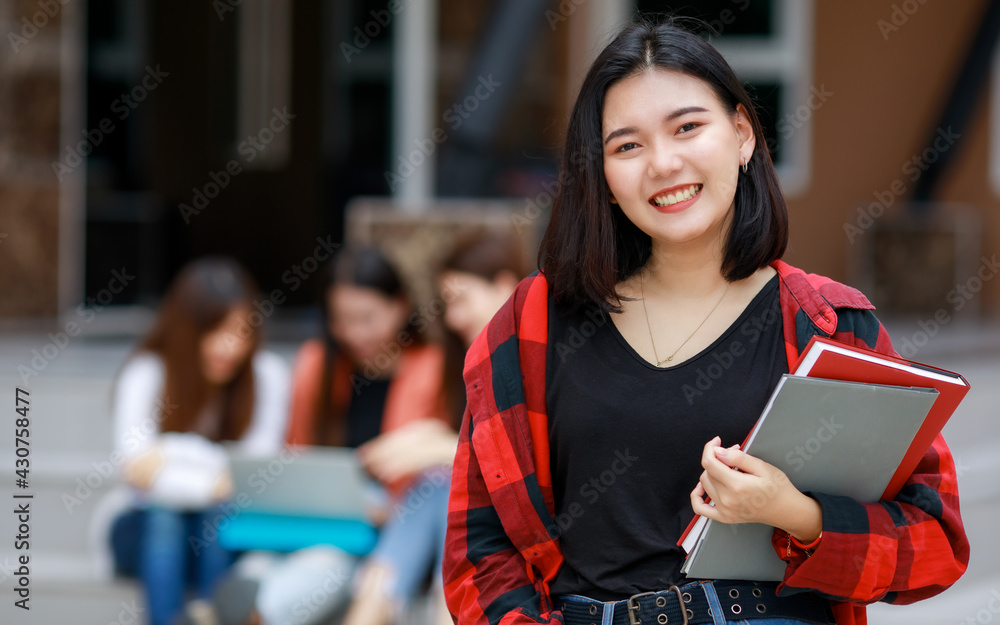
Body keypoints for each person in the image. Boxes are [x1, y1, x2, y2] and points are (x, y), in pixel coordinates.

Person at [442, 19, 969, 625]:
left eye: (688, 127)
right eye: (627, 145)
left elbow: (936, 541)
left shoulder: (828, 322)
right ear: (605, 180)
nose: (663, 163)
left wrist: (796, 512)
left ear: (742, 134)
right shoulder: (531, 324)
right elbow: (479, 550)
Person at [112, 257, 290, 625]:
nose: (230, 347)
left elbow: (251, 475)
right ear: (185, 328)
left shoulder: (268, 375)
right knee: (165, 517)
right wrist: (215, 479)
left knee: (213, 517)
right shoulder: (146, 374)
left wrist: (168, 451)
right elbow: (136, 470)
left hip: (224, 533)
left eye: (241, 332)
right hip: (141, 532)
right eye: (215, 331)